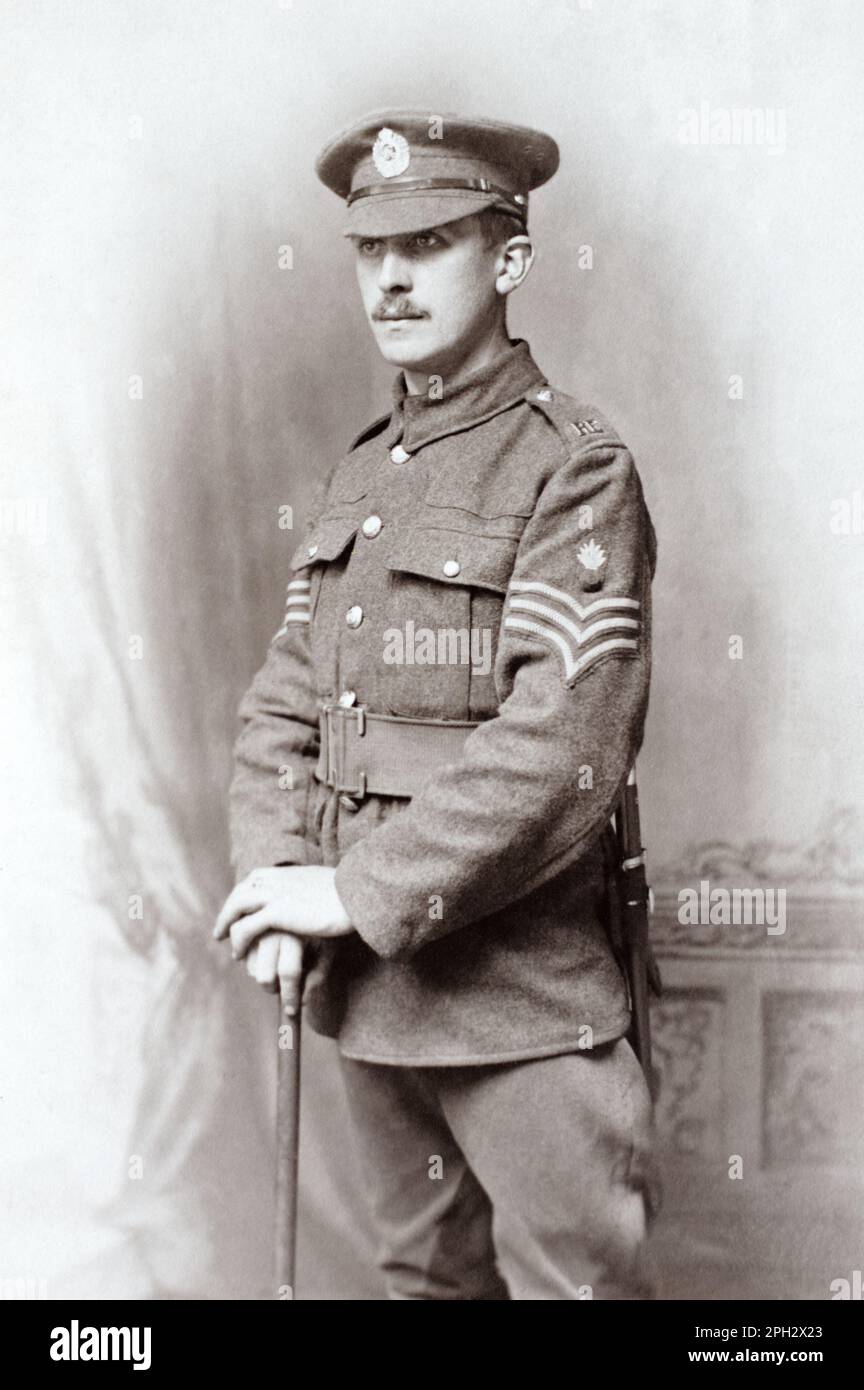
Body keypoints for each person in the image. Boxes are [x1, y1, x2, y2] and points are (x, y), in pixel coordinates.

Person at [214, 108, 662, 1300]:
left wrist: (350, 893)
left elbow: (560, 749)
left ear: (509, 260)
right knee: (423, 1285)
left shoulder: (572, 465)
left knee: (582, 1289)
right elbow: (283, 712)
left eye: (430, 245)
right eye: (372, 251)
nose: (394, 278)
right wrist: (274, 883)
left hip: (520, 999)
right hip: (374, 996)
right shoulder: (363, 473)